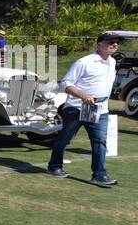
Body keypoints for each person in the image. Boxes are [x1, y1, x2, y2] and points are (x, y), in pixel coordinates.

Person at [47, 33, 121, 187]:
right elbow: (65, 83)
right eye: (111, 42)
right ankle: (54, 166)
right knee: (65, 139)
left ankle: (99, 175)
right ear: (99, 44)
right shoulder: (84, 62)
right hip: (77, 108)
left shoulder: (113, 62)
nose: (115, 45)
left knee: (100, 141)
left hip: (100, 109)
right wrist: (83, 95)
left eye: (117, 42)